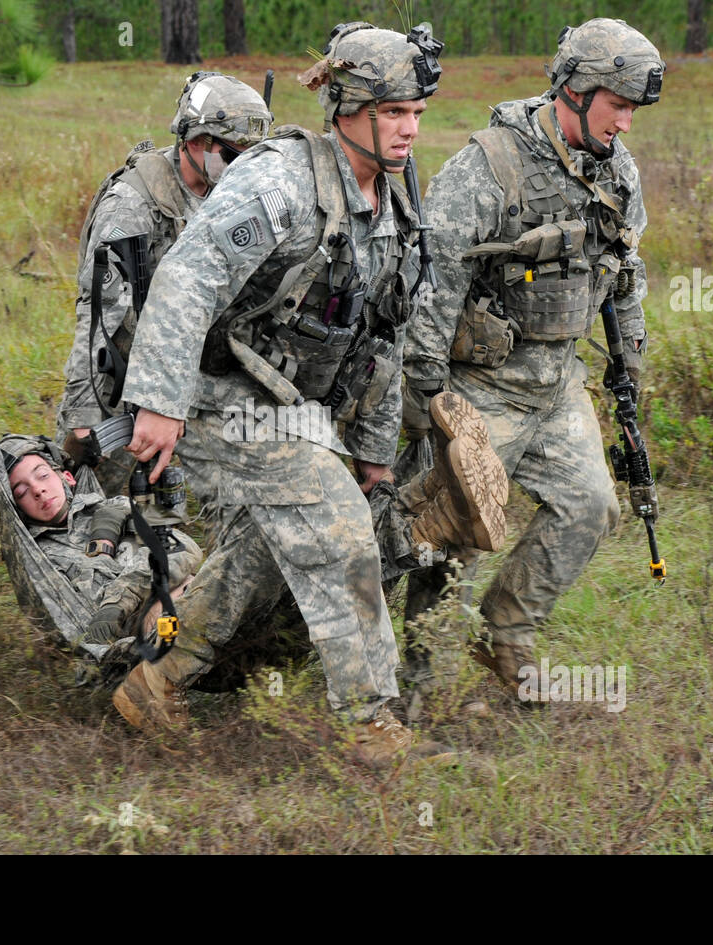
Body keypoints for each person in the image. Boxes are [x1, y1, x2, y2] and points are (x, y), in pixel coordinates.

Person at [110, 21, 504, 767]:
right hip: (219, 394)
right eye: (392, 112)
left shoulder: (394, 203)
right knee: (339, 526)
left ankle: (155, 681)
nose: (409, 129)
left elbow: (384, 335)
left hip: (298, 410)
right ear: (347, 109)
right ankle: (370, 726)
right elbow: (187, 276)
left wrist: (376, 454)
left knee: (261, 550)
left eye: (417, 112)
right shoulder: (282, 181)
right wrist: (159, 403)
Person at [401, 18, 664, 702]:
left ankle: (507, 633)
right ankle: (418, 683)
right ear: (575, 91)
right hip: (481, 385)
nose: (625, 124)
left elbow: (626, 274)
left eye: (632, 110)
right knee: (456, 536)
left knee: (591, 506)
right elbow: (435, 282)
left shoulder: (618, 171)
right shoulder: (490, 165)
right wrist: (425, 395)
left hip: (557, 383)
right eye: (618, 106)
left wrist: (630, 365)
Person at [58, 72, 272, 503]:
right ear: (196, 141)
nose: (244, 168)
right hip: (123, 372)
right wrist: (81, 418)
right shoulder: (131, 206)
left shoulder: (232, 193)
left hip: (196, 365)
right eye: (234, 155)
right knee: (89, 495)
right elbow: (98, 320)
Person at [0, 435, 200, 660]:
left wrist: (120, 599)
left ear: (67, 477)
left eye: (43, 475)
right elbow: (83, 636)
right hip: (147, 637)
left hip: (192, 594)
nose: (37, 490)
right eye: (21, 492)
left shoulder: (113, 508)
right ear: (18, 509)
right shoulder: (39, 562)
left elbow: (182, 548)